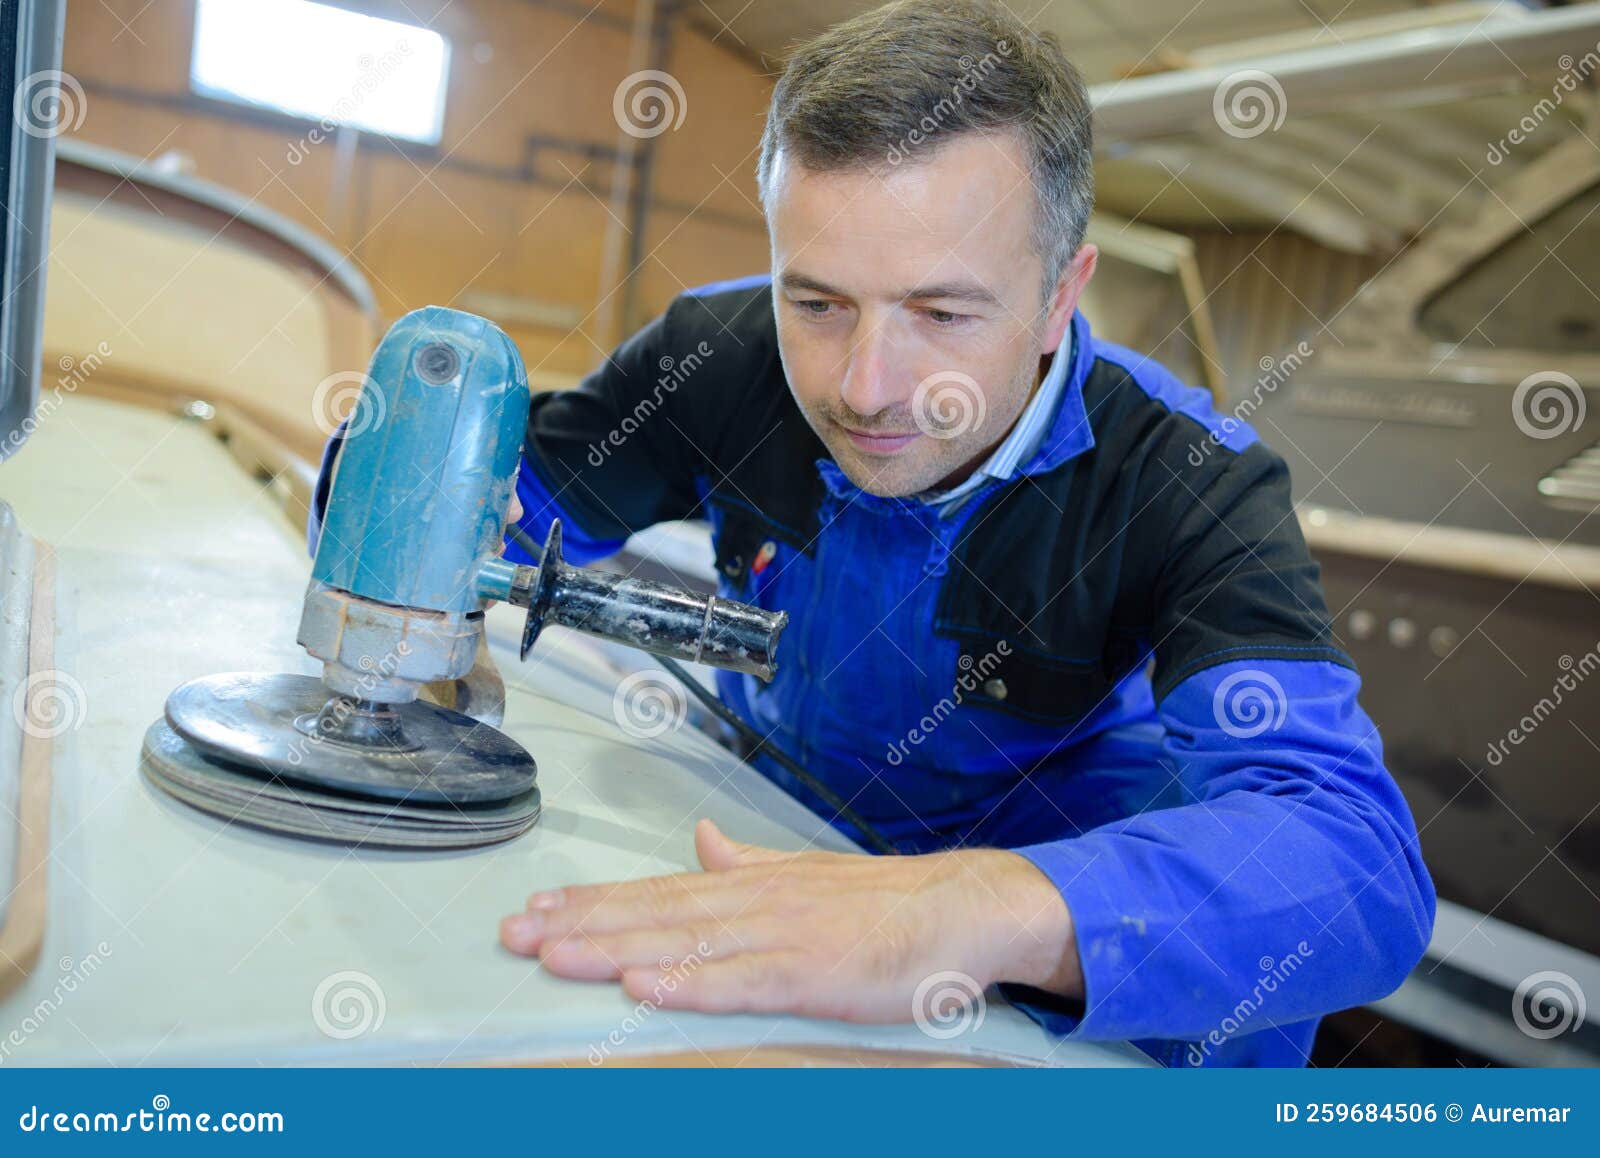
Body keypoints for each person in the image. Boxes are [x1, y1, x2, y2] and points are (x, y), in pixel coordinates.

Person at [313, 0, 1434, 1067]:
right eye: (817, 303)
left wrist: (967, 909)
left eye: (942, 313)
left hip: (1041, 922)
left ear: (1060, 294)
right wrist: (400, 501)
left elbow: (1356, 865)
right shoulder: (719, 358)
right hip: (768, 842)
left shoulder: (1184, 477)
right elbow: (463, 509)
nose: (864, 386)